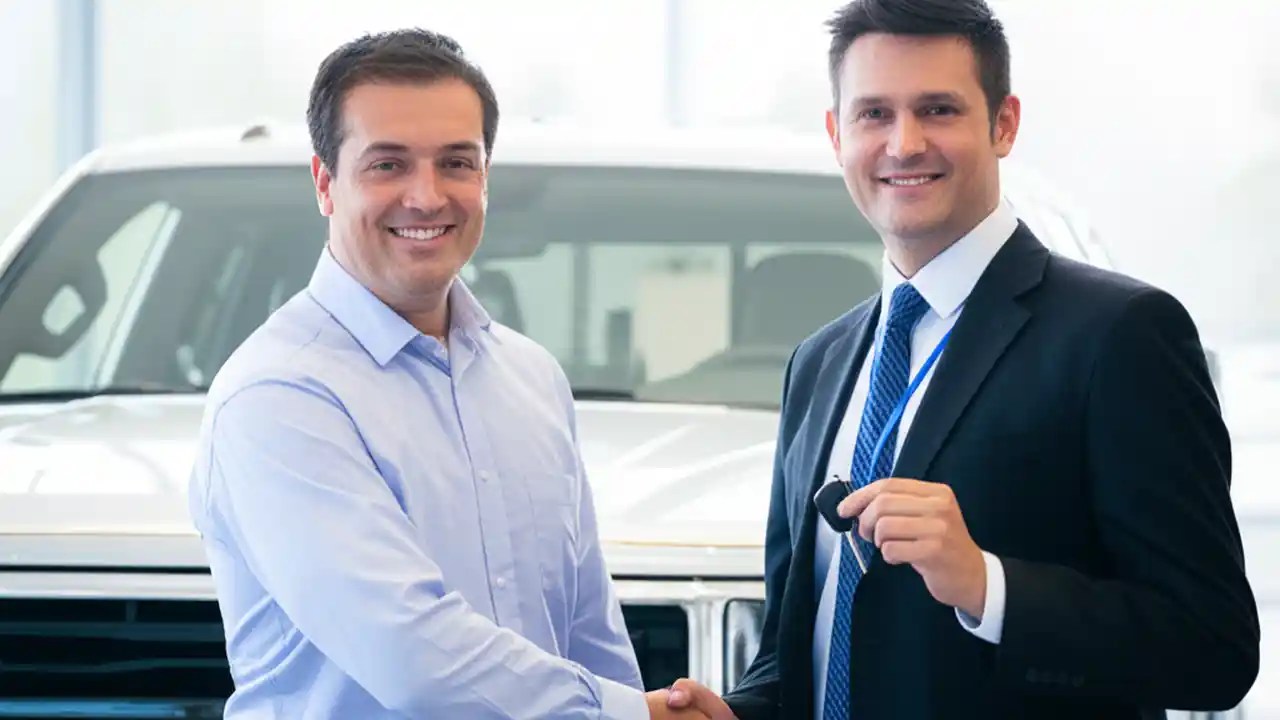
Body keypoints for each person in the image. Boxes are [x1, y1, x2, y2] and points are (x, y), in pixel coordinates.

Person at [667, 0, 1260, 717]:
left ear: (1004, 123)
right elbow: (807, 648)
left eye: (938, 109)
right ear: (836, 133)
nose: (904, 143)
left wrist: (989, 586)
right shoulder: (818, 365)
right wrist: (737, 710)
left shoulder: (1122, 335)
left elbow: (1214, 648)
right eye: (873, 114)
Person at [187, 29, 706, 719]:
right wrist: (630, 714)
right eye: (388, 165)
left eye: (456, 162)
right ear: (324, 183)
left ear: (485, 175)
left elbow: (585, 627)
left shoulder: (532, 378)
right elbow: (410, 655)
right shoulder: (277, 397)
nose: (427, 197)